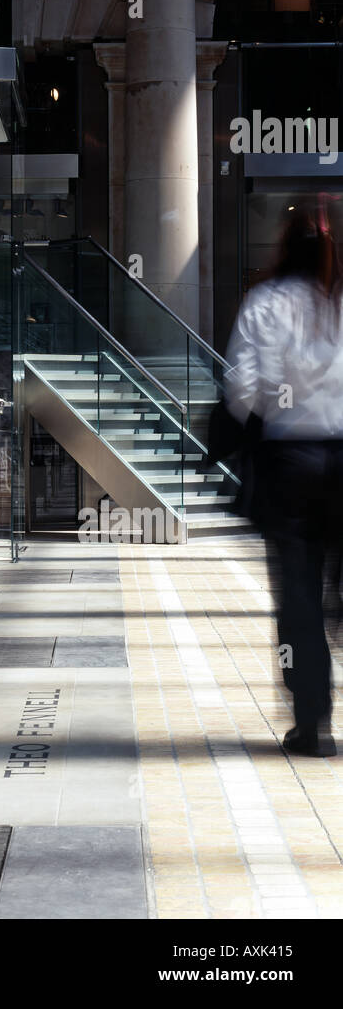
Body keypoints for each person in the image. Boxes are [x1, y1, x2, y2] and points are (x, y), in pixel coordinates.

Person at [225, 196, 343, 757]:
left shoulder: (265, 302)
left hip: (289, 465)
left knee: (298, 596)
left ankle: (311, 720)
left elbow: (242, 389)